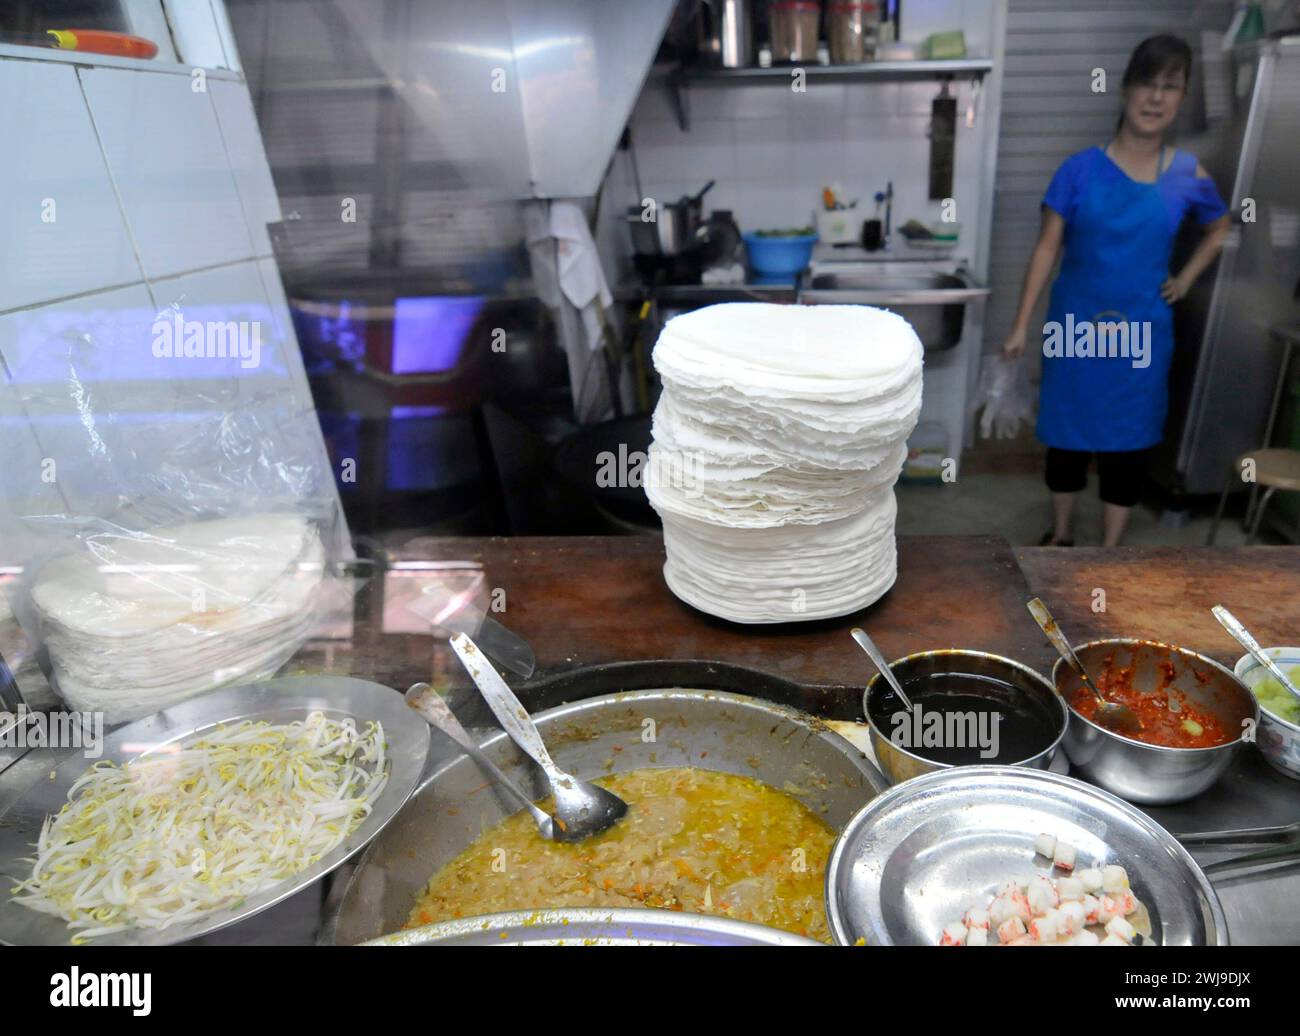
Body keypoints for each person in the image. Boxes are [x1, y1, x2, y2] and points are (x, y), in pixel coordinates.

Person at [1003, 34, 1230, 546]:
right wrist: (1020, 324)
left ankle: (1109, 554)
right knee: (1065, 436)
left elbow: (1220, 227)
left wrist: (1185, 278)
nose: (1156, 98)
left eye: (1170, 87)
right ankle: (1060, 535)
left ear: (1182, 96)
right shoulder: (1078, 170)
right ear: (1125, 90)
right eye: (1146, 84)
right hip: (1076, 329)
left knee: (1127, 444)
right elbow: (1046, 249)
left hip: (1142, 334)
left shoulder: (1188, 175)